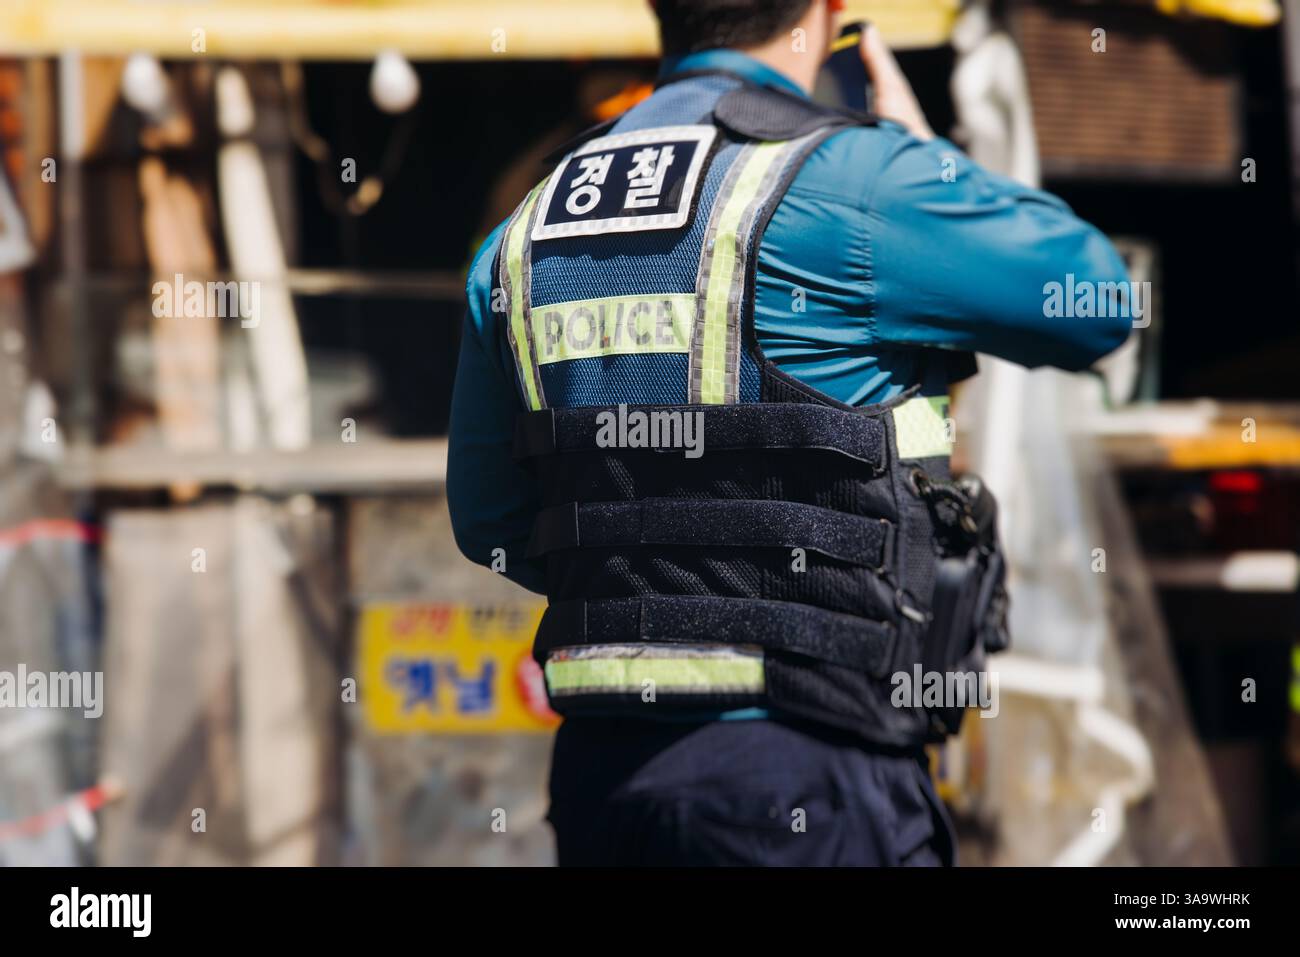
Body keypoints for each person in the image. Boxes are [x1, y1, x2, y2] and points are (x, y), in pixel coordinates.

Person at [448, 0, 1131, 866]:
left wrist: (659, 576)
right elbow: (1098, 298)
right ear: (830, 13)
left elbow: (492, 524)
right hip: (815, 770)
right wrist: (932, 159)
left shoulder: (523, 230)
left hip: (604, 785)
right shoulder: (865, 180)